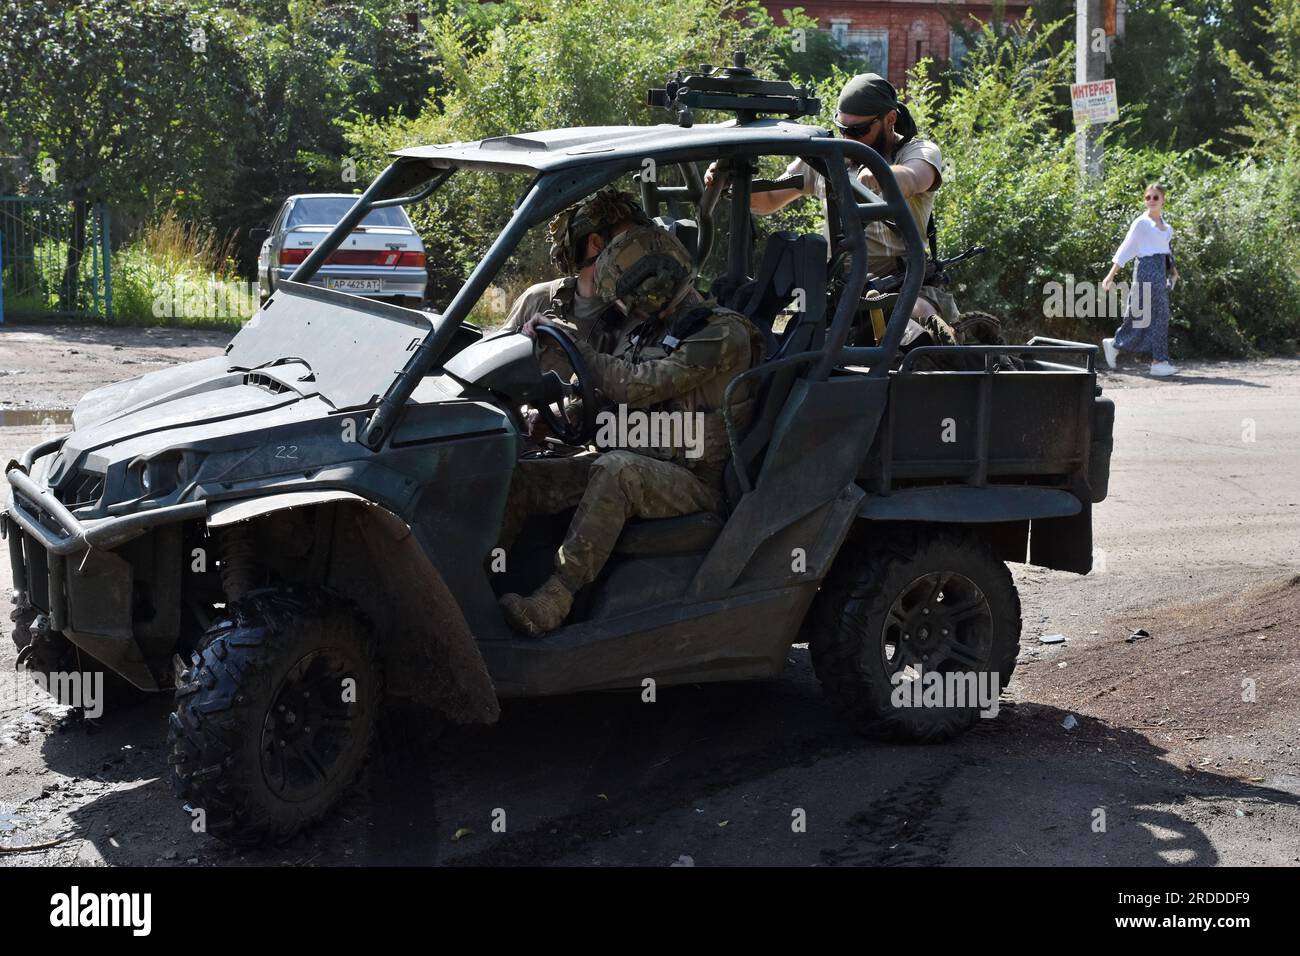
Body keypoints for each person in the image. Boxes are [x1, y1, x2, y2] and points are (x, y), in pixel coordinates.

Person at [497, 225, 765, 636]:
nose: (625, 306)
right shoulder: (648, 326)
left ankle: (557, 596)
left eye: (629, 296)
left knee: (617, 472)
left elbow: (635, 385)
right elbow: (604, 390)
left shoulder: (721, 333)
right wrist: (551, 352)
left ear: (653, 285)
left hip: (695, 480)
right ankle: (484, 576)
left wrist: (582, 352)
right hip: (636, 450)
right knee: (525, 477)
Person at [705, 72, 952, 322]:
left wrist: (877, 173)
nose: (848, 138)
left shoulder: (917, 151)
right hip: (840, 291)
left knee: (918, 320)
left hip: (903, 287)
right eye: (842, 128)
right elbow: (768, 200)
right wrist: (731, 182)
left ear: (889, 119)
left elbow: (912, 178)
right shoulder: (830, 159)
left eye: (859, 130)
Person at [502, 187, 653, 354]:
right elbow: (495, 358)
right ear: (596, 243)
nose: (641, 252)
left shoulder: (638, 316)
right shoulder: (539, 299)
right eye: (629, 241)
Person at [1102, 183, 1180, 376]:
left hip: (1159, 271)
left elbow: (1166, 252)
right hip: (1145, 269)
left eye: (1155, 197)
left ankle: (1155, 360)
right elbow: (1126, 248)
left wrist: (1174, 271)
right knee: (1143, 314)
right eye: (1148, 197)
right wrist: (1111, 275)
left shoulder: (1167, 227)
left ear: (1163, 200)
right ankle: (1153, 359)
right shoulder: (1141, 223)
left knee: (1157, 316)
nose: (1151, 201)